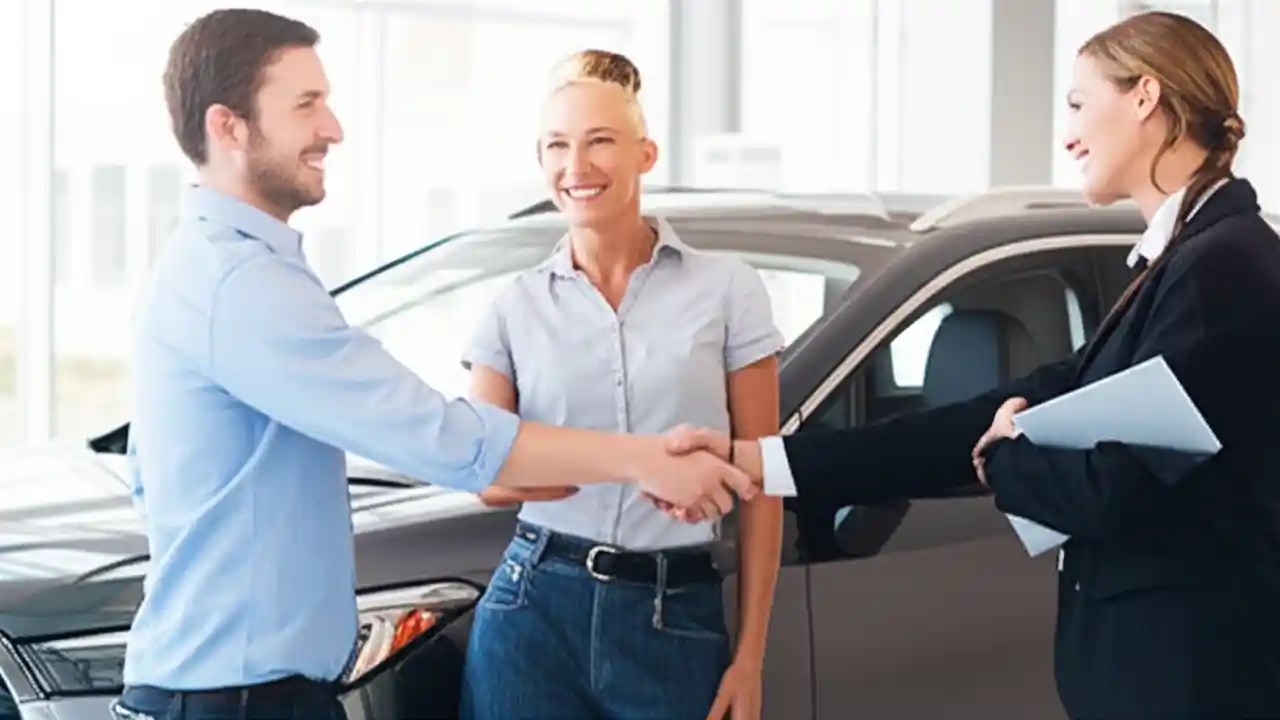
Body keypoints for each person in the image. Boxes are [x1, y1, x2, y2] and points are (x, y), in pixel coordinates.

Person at [114, 11, 753, 720]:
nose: (333, 128)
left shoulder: (212, 268)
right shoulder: (240, 284)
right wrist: (642, 460)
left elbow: (152, 475)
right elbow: (441, 436)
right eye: (307, 104)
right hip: (231, 703)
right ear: (228, 126)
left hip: (240, 694)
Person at [668, 11, 1280, 720]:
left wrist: (1006, 457)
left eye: (1080, 102)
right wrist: (757, 461)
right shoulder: (1187, 259)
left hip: (1194, 684)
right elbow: (991, 414)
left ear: (1146, 96)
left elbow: (1122, 483)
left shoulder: (1224, 264)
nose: (1068, 133)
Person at [457, 50, 784, 720]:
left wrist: (750, 659)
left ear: (646, 153)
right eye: (557, 146)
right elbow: (486, 475)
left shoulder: (728, 289)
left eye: (600, 142)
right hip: (532, 612)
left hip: (675, 613)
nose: (576, 167)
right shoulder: (513, 307)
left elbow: (764, 479)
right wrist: (625, 463)